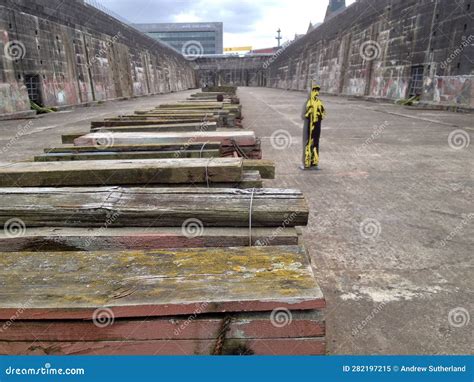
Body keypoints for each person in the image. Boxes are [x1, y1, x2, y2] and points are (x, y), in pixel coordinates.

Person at [301, 84, 326, 170]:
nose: (316, 93)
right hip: (310, 125)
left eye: (317, 91)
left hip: (317, 125)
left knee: (316, 143)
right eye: (314, 91)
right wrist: (309, 112)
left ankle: (314, 162)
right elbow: (305, 115)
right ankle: (307, 162)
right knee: (309, 143)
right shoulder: (308, 103)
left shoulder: (320, 103)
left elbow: (323, 114)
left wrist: (319, 114)